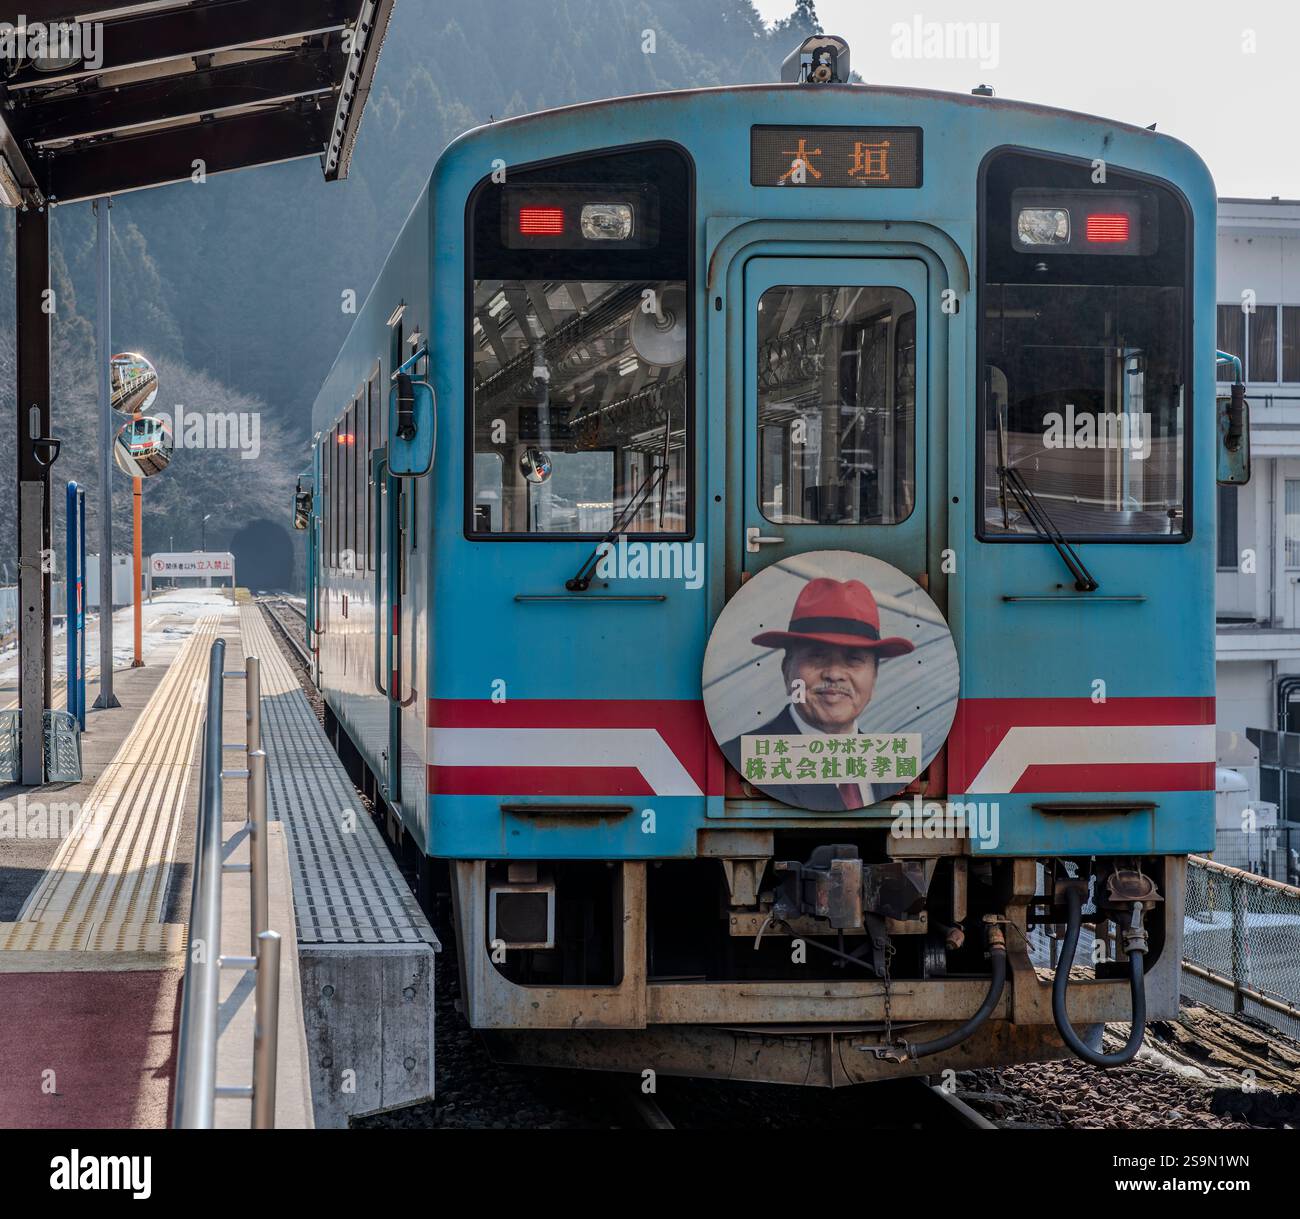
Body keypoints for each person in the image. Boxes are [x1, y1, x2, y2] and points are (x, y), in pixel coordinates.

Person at [722, 577, 915, 810]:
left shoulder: (893, 768)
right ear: (786, 671)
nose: (834, 674)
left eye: (854, 659)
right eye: (817, 656)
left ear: (874, 678)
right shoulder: (738, 760)